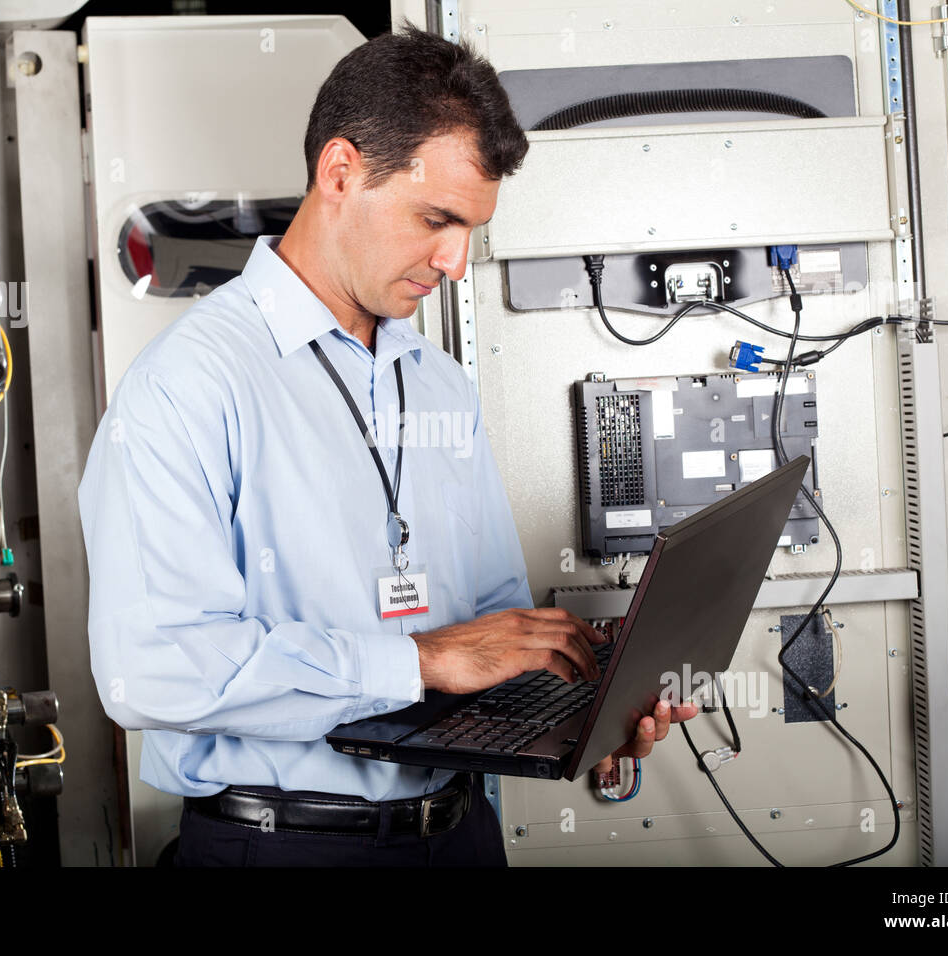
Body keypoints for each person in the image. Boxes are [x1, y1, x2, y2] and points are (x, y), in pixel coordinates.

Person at [77, 22, 695, 868]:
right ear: (341, 172)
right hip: (286, 848)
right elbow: (152, 670)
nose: (455, 261)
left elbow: (496, 630)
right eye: (436, 219)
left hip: (459, 837)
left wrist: (589, 702)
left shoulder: (438, 385)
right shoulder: (187, 388)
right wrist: (413, 662)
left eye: (471, 228)